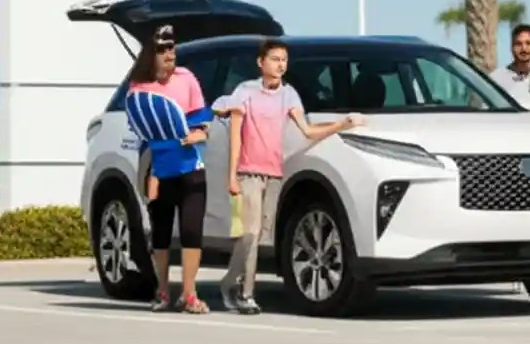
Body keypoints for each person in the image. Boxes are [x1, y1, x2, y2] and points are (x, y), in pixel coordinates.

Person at [220, 38, 364, 315]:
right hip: (249, 171)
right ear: (261, 62)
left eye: (284, 60)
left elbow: (308, 131)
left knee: (259, 236)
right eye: (275, 59)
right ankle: (246, 294)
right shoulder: (244, 92)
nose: (280, 65)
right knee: (249, 234)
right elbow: (235, 136)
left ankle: (228, 281)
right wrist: (232, 175)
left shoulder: (289, 95)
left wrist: (343, 124)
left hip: (274, 172)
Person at [125, 24, 211, 314]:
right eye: (162, 49)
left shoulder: (187, 79)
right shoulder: (138, 89)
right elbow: (141, 131)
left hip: (191, 168)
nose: (169, 53)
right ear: (151, 54)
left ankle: (189, 294)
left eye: (172, 47)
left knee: (191, 232)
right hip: (160, 172)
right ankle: (162, 290)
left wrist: (196, 135)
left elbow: (202, 125)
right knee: (160, 236)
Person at [491, 24, 530, 110]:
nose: (524, 49)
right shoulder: (497, 78)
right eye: (518, 44)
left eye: (529, 43)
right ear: (511, 47)